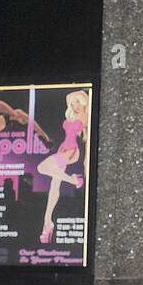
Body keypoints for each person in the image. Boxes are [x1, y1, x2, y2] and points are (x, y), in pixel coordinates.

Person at [36, 89, 90, 244]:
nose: (73, 105)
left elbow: (82, 97)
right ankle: (47, 223)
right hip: (63, 148)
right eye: (72, 103)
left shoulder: (85, 116)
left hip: (72, 151)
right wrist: (74, 99)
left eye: (76, 102)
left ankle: (74, 181)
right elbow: (68, 97)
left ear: (83, 103)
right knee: (54, 186)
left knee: (42, 168)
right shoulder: (73, 114)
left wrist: (84, 94)